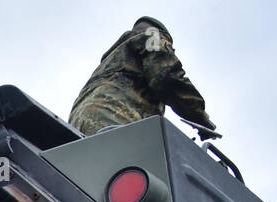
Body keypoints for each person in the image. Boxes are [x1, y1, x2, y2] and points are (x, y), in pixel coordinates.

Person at [69, 17, 215, 137]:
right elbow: (165, 77)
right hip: (116, 118)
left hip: (80, 120)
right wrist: (199, 116)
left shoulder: (114, 60)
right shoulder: (152, 37)